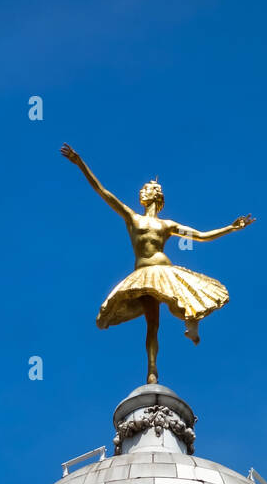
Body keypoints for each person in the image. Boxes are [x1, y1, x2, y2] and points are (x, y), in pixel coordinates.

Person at [61, 145, 254, 382]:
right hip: (143, 274)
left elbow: (202, 236)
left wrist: (231, 227)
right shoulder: (132, 217)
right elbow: (104, 192)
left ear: (155, 195)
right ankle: (152, 369)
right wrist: (81, 164)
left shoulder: (167, 225)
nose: (141, 192)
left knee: (182, 297)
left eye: (146, 189)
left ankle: (191, 322)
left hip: (164, 270)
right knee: (152, 325)